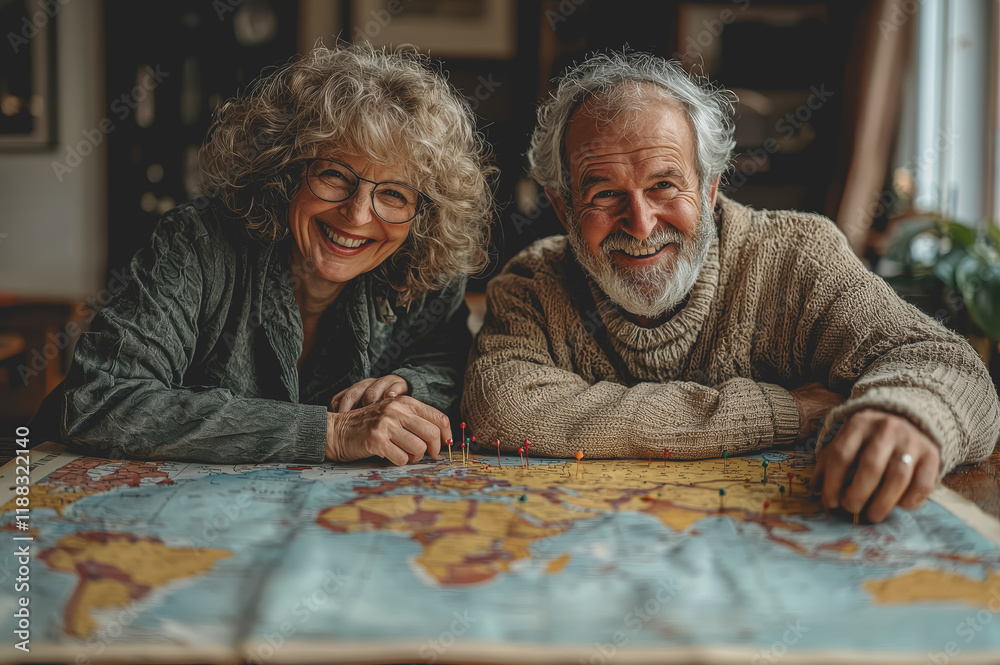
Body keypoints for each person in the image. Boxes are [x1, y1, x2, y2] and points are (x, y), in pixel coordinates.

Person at [462, 51, 1000, 523]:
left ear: (711, 185)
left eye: (664, 185)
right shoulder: (534, 283)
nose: (642, 223)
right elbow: (501, 405)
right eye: (604, 194)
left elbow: (946, 364)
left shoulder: (797, 256)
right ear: (562, 206)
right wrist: (784, 411)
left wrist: (906, 415)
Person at [34, 42, 494, 465]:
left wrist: (411, 386)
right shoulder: (197, 244)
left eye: (393, 193)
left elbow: (452, 368)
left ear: (422, 213)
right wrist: (328, 433)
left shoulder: (425, 266)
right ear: (286, 169)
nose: (356, 216)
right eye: (335, 175)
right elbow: (101, 400)